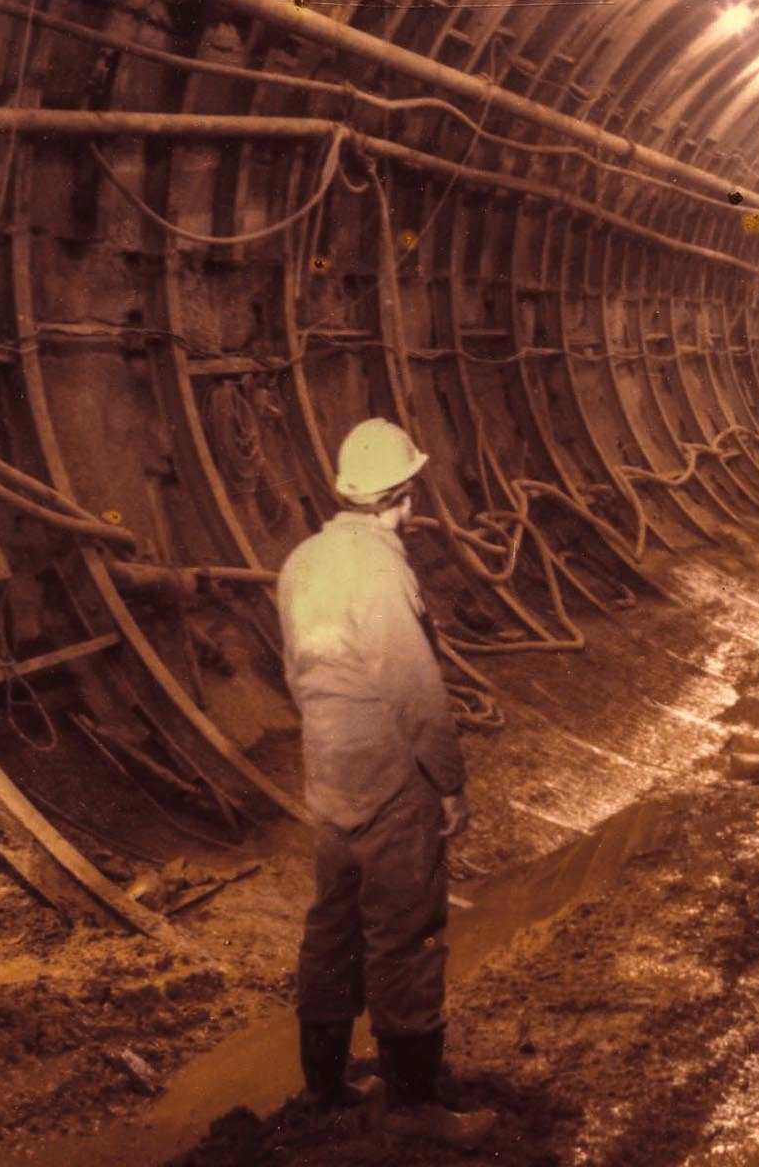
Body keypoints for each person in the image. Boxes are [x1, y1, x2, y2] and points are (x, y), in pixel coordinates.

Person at [277, 416, 495, 1147]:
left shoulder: (302, 560)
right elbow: (415, 690)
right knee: (406, 932)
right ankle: (413, 1103)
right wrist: (450, 783)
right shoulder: (380, 567)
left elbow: (295, 670)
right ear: (403, 495)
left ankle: (325, 1085)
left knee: (333, 923)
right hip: (390, 772)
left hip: (327, 767)